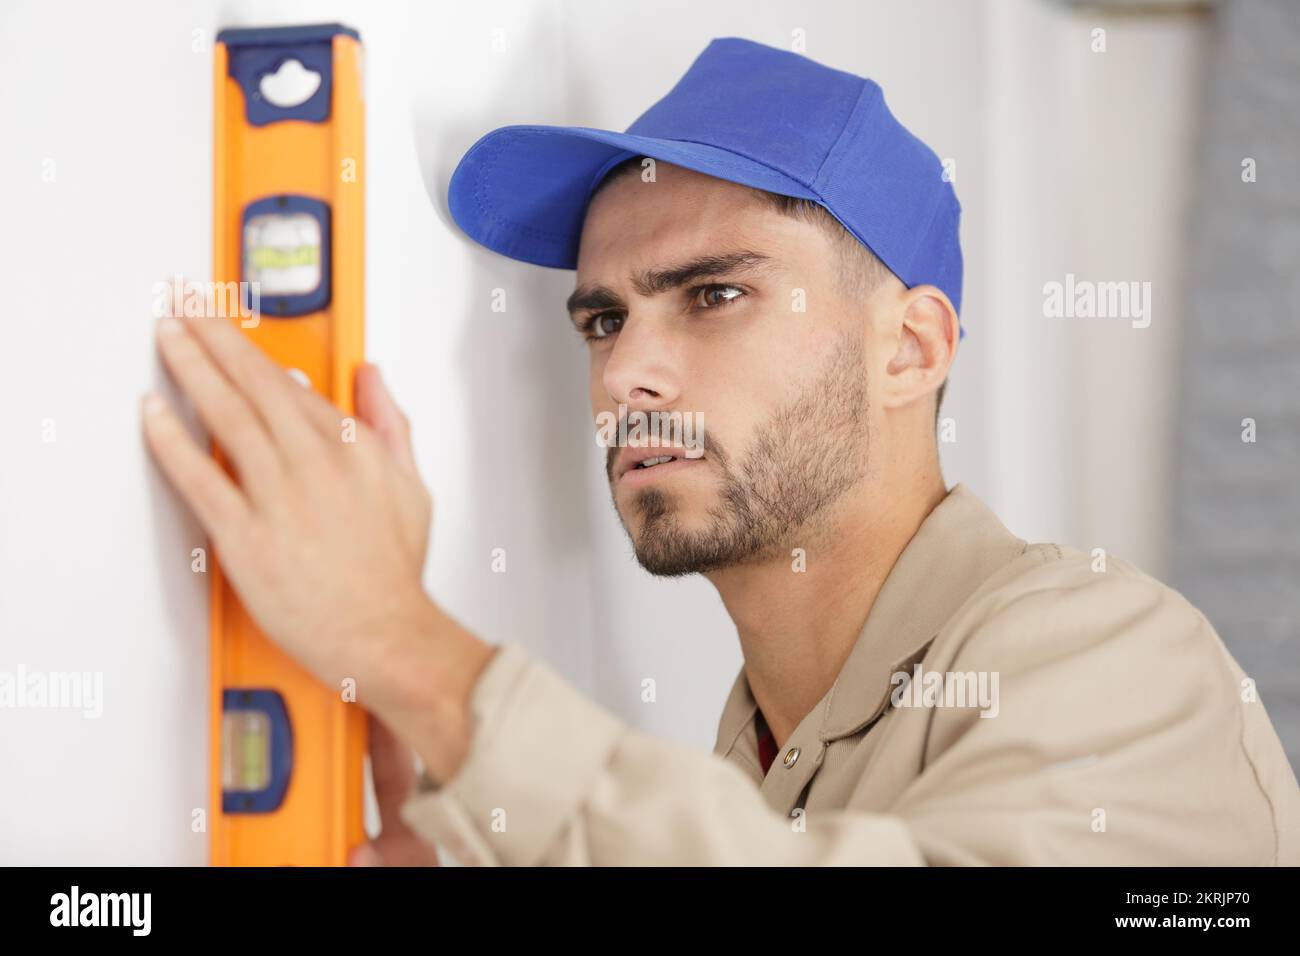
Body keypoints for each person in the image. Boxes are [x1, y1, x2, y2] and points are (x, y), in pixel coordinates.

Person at [141, 37, 1299, 865]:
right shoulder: (751, 766)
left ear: (909, 347)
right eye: (602, 318)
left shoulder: (1125, 661)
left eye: (712, 293)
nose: (626, 373)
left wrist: (414, 652)